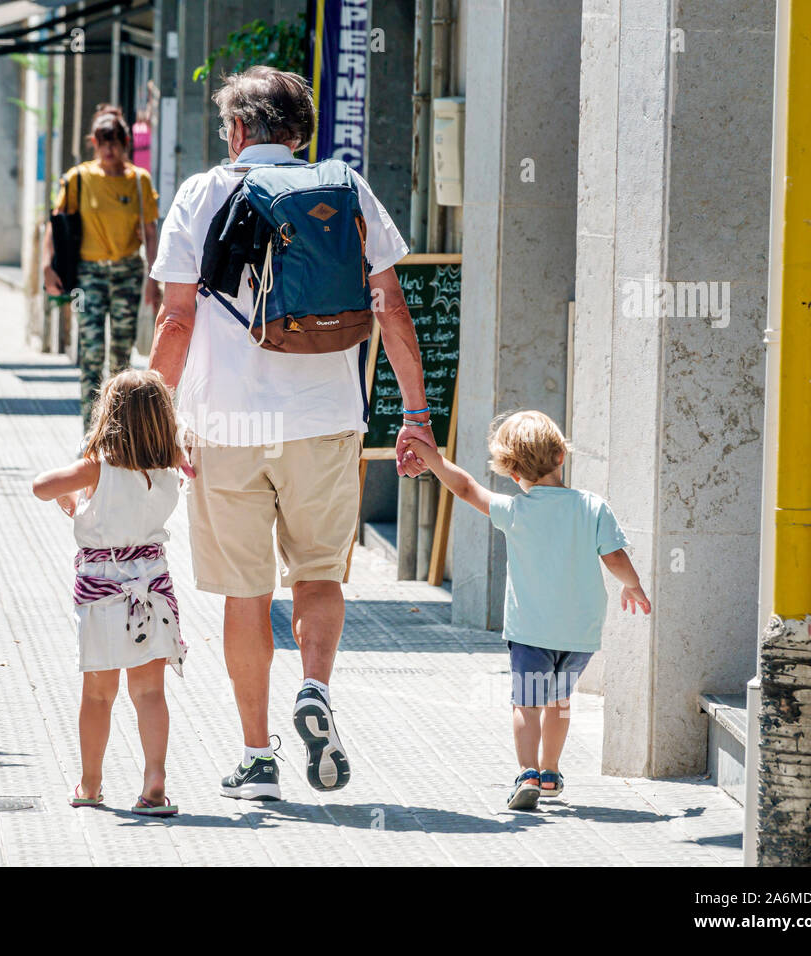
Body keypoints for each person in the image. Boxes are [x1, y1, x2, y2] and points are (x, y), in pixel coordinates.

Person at [147, 66, 434, 801]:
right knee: (318, 573)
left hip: (227, 427)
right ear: (300, 132)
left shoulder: (200, 193)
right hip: (325, 421)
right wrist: (415, 417)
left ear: (238, 131)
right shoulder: (346, 188)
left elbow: (176, 320)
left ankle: (257, 757)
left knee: (245, 594)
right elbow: (392, 310)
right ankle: (314, 688)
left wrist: (148, 417)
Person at [405, 411, 651, 810]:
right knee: (560, 701)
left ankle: (528, 773)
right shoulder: (592, 506)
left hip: (531, 632)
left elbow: (465, 488)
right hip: (579, 633)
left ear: (512, 469)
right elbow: (615, 556)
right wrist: (633, 586)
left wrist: (430, 456)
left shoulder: (515, 510)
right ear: (560, 457)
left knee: (528, 704)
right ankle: (551, 773)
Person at [31, 370, 188, 816]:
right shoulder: (169, 466)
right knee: (150, 692)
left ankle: (91, 782)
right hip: (153, 587)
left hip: (103, 593)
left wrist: (74, 500)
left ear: (109, 415)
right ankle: (155, 780)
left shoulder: (97, 467)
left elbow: (41, 486)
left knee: (99, 693)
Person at [43, 104, 161, 428]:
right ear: (93, 142)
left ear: (126, 143)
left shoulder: (138, 180)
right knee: (92, 352)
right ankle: (89, 435)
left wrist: (154, 279)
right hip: (88, 275)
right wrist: (46, 266)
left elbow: (150, 232)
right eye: (102, 141)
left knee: (122, 357)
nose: (109, 149)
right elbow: (55, 224)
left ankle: (116, 432)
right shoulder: (78, 178)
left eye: (115, 141)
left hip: (127, 272)